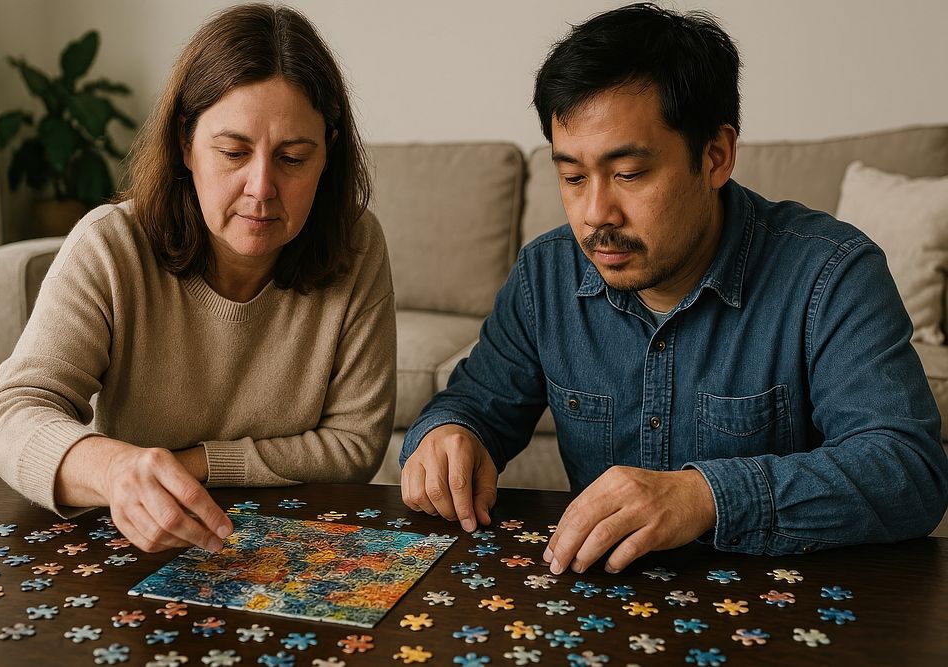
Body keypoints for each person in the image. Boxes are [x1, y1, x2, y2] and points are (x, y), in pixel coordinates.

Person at [400, 2, 948, 575]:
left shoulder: (831, 273)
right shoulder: (546, 275)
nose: (594, 215)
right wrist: (449, 434)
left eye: (629, 174)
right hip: (600, 607)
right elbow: (475, 405)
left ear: (715, 156)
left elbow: (908, 471)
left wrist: (703, 497)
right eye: (572, 177)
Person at [0, 4, 396, 554]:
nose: (261, 187)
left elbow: (355, 445)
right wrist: (116, 469)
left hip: (297, 549)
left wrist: (190, 464)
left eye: (293, 158)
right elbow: (12, 415)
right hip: (131, 546)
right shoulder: (110, 244)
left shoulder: (356, 242)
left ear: (328, 154)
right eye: (232, 152)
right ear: (185, 144)